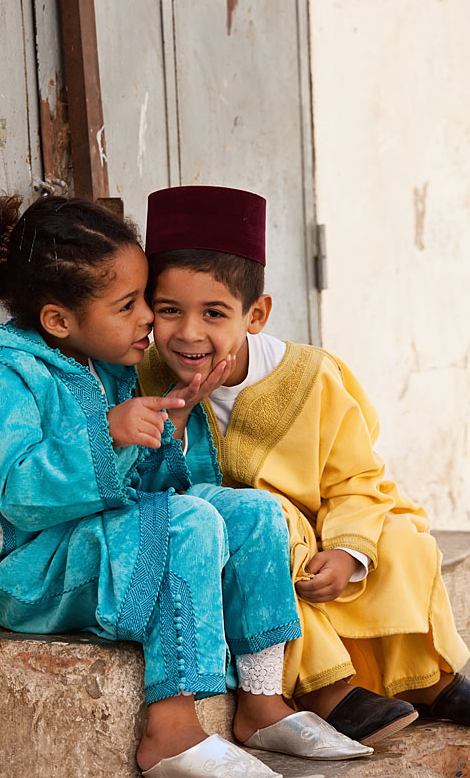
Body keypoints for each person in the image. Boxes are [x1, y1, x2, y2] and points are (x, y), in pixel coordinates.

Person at [0, 193, 371, 778]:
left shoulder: (109, 363)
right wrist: (109, 433)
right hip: (25, 567)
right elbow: (21, 493)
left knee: (252, 511)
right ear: (58, 320)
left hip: (90, 540)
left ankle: (261, 701)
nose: (148, 317)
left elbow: (152, 487)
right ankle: (171, 729)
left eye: (145, 299)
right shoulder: (2, 374)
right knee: (185, 524)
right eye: (129, 304)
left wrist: (169, 423)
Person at [138, 184, 470, 746]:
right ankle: (329, 690)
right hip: (255, 537)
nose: (188, 333)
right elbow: (162, 483)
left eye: (214, 313)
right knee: (278, 535)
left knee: (403, 541)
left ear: (256, 314)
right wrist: (182, 407)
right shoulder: (144, 377)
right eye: (169, 310)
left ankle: (428, 683)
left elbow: (357, 479)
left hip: (336, 526)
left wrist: (349, 551)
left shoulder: (310, 376)